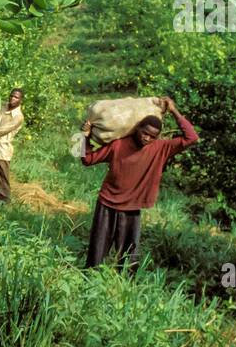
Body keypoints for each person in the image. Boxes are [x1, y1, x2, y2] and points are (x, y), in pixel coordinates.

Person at [80, 96, 197, 268]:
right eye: (145, 133)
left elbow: (192, 138)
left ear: (157, 137)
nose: (147, 138)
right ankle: (89, 280)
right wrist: (85, 137)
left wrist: (173, 111)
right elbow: (87, 160)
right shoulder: (118, 145)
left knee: (129, 257)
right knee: (97, 254)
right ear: (137, 128)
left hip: (132, 207)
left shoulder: (161, 148)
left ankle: (124, 287)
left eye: (152, 136)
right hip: (107, 203)